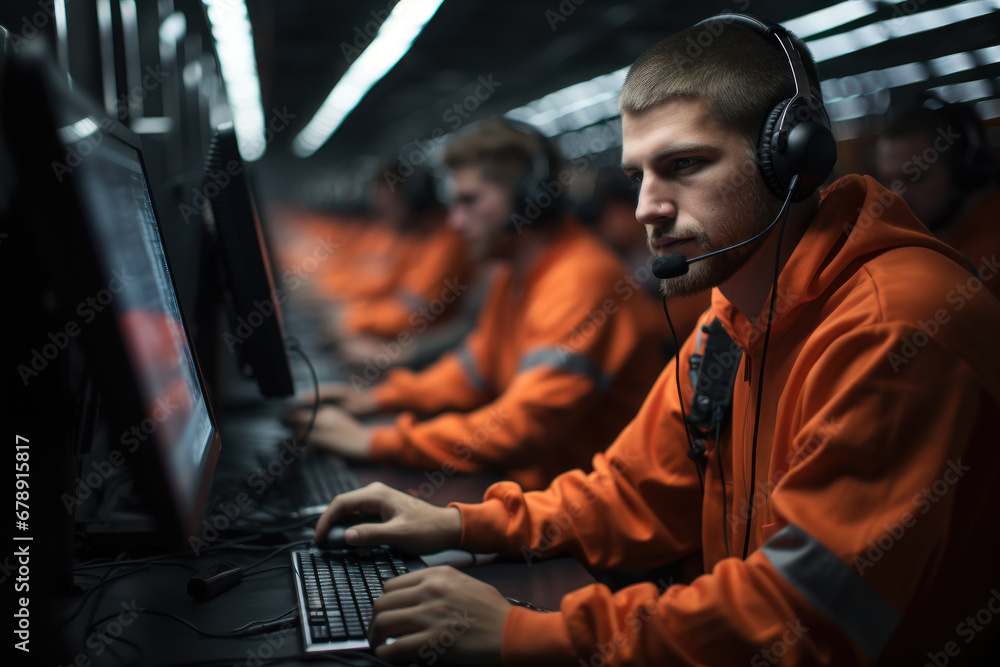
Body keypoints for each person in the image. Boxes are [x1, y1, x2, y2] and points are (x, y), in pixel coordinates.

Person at [308, 14, 1000, 666]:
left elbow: (801, 616)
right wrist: (459, 523)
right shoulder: (733, 317)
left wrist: (528, 631)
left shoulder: (896, 325)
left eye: (685, 164)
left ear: (793, 160)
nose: (646, 207)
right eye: (638, 173)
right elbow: (629, 491)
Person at [285, 121, 664, 490]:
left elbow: (523, 428)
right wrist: (376, 399)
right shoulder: (511, 271)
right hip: (538, 492)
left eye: (469, 201)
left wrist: (375, 441)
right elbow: (474, 369)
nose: (455, 221)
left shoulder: (581, 279)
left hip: (584, 513)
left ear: (527, 199)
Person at [876, 98, 1000, 298]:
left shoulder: (989, 256)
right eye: (888, 180)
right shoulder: (932, 239)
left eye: (914, 176)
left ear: (961, 171)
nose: (896, 195)